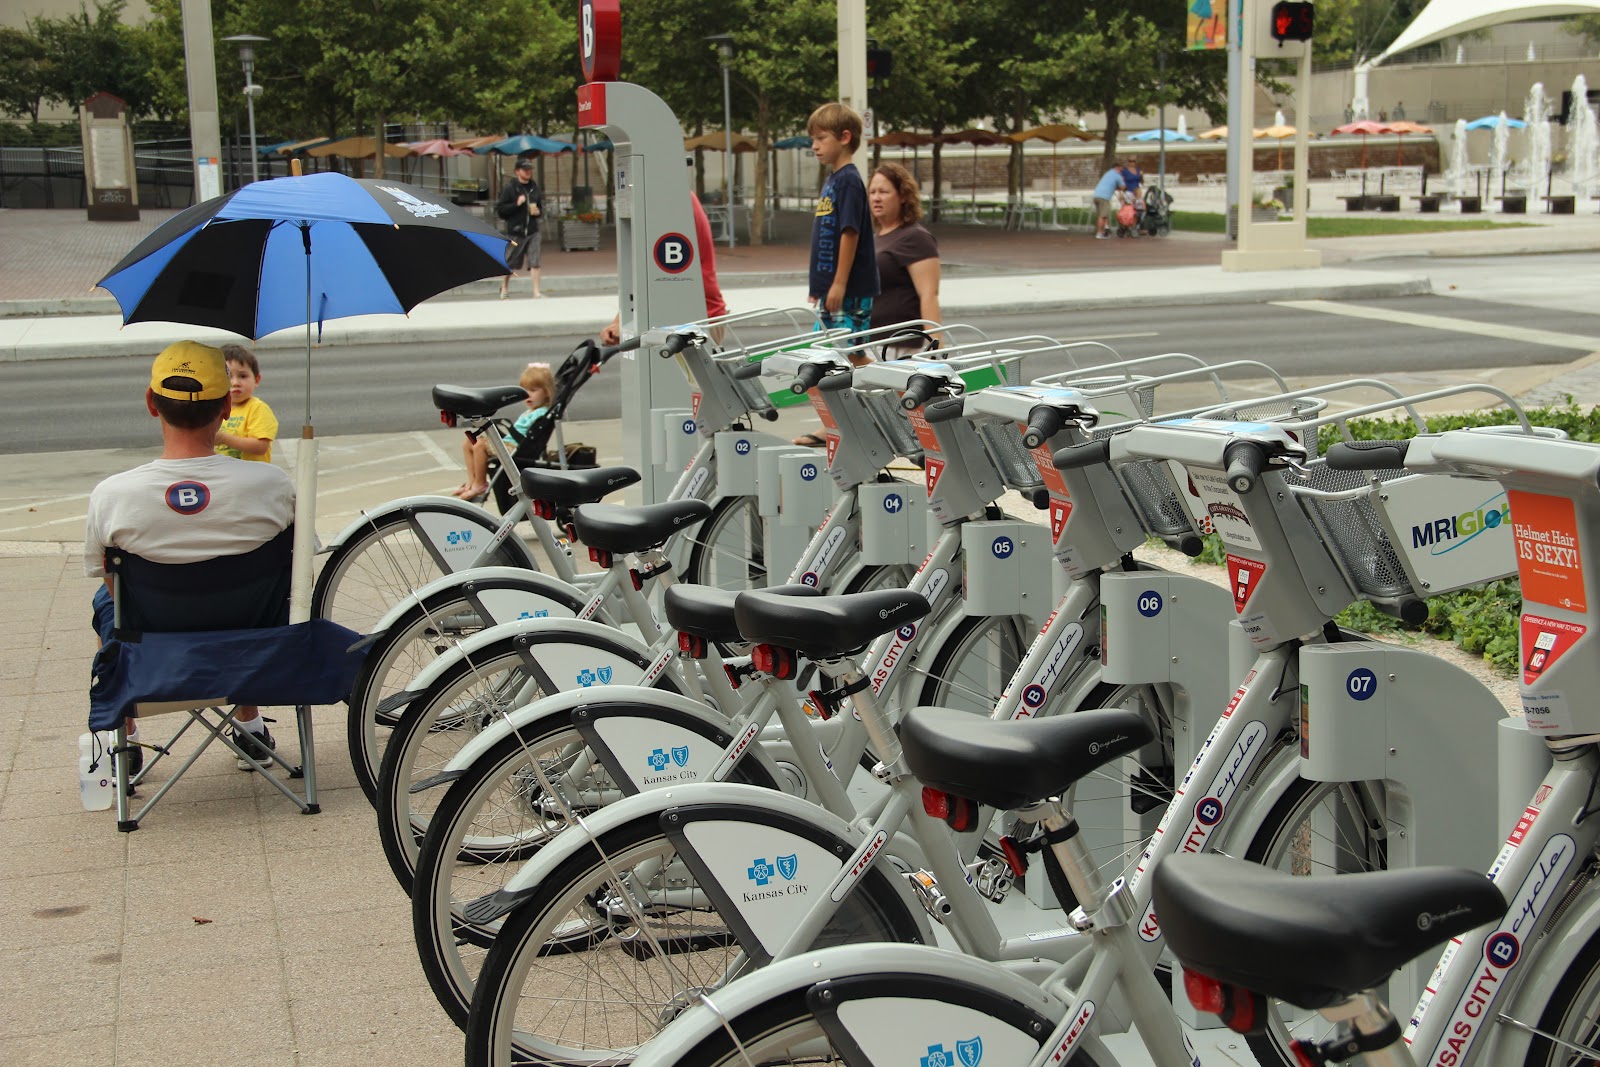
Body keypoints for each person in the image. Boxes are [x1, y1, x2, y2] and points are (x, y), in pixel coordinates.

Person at [85, 341, 296, 770]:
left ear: (151, 403)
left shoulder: (112, 495)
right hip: (253, 653)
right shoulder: (273, 485)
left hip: (154, 656)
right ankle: (250, 727)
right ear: (225, 407)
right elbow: (299, 577)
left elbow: (110, 581)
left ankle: (126, 742)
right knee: (253, 596)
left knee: (108, 601)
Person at [794, 101, 878, 445]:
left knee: (850, 354)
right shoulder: (833, 180)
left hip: (851, 288)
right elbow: (825, 238)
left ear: (844, 137)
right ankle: (838, 424)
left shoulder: (849, 182)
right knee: (824, 357)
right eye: (812, 139)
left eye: (821, 138)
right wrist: (820, 284)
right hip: (833, 289)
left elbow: (849, 232)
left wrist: (840, 282)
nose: (814, 146)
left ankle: (883, 407)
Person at [599, 192, 727, 347]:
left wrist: (622, 321)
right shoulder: (673, 196)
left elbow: (659, 274)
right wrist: (622, 320)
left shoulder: (669, 200)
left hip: (697, 318)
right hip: (695, 314)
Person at [867, 162, 941, 358]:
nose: (876, 198)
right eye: (872, 192)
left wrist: (937, 351)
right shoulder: (874, 239)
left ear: (903, 196)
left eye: (884, 192)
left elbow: (929, 295)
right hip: (871, 343)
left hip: (901, 347)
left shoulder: (916, 238)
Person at [452, 361, 554, 501]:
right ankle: (472, 482)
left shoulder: (541, 414)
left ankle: (480, 484)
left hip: (514, 448)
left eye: (533, 390)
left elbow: (530, 437)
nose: (528, 395)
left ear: (547, 392)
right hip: (510, 443)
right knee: (468, 444)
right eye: (525, 390)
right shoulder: (530, 412)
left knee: (480, 446)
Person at [214, 344, 278, 462]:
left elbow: (261, 447)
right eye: (228, 377)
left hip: (252, 473)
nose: (235, 382)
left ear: (257, 379)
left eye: (242, 376)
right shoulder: (213, 408)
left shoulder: (257, 409)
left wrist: (224, 439)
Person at [496, 157, 544, 299]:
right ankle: (504, 287)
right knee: (510, 261)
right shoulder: (510, 188)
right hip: (516, 231)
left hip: (533, 230)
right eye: (525, 169)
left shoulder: (534, 188)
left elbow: (540, 206)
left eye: (529, 169)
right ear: (517, 171)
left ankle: (536, 292)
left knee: (535, 260)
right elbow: (501, 210)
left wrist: (538, 211)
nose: (528, 172)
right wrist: (516, 204)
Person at [1093, 164, 1127, 239]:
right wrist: (1123, 180)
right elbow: (1123, 187)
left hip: (1096, 195)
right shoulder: (1117, 176)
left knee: (1101, 215)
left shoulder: (1108, 173)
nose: (1122, 171)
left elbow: (1111, 184)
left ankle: (1104, 230)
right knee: (1103, 216)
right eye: (1121, 169)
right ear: (1117, 168)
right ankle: (1099, 233)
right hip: (1104, 197)